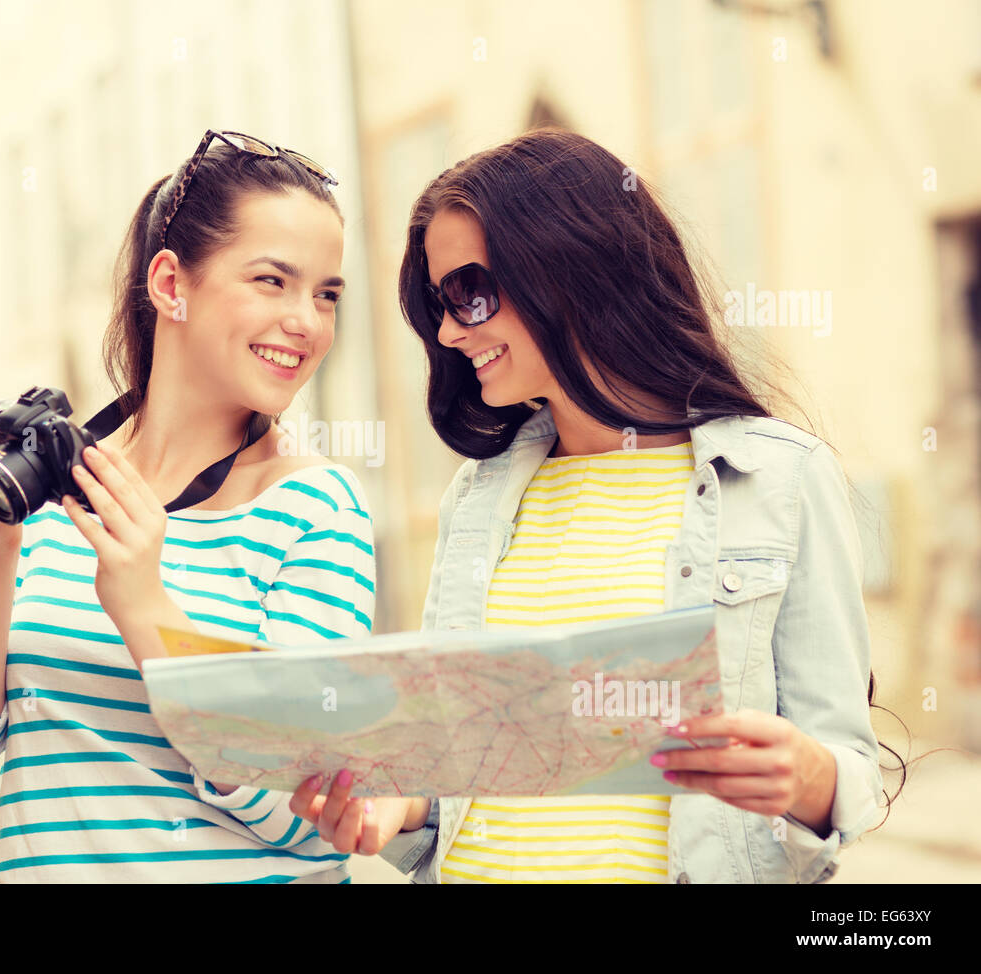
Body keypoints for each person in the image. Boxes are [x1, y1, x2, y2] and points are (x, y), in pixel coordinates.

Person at [291, 126, 889, 884]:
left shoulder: (778, 477)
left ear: (568, 269)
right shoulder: (475, 500)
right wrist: (394, 808)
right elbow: (456, 774)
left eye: (467, 293)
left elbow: (849, 772)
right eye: (439, 302)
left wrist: (806, 777)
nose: (446, 328)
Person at [0, 130, 375, 883]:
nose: (308, 322)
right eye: (272, 281)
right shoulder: (59, 485)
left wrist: (146, 607)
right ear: (171, 285)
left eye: (326, 293)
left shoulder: (316, 508)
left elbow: (311, 812)